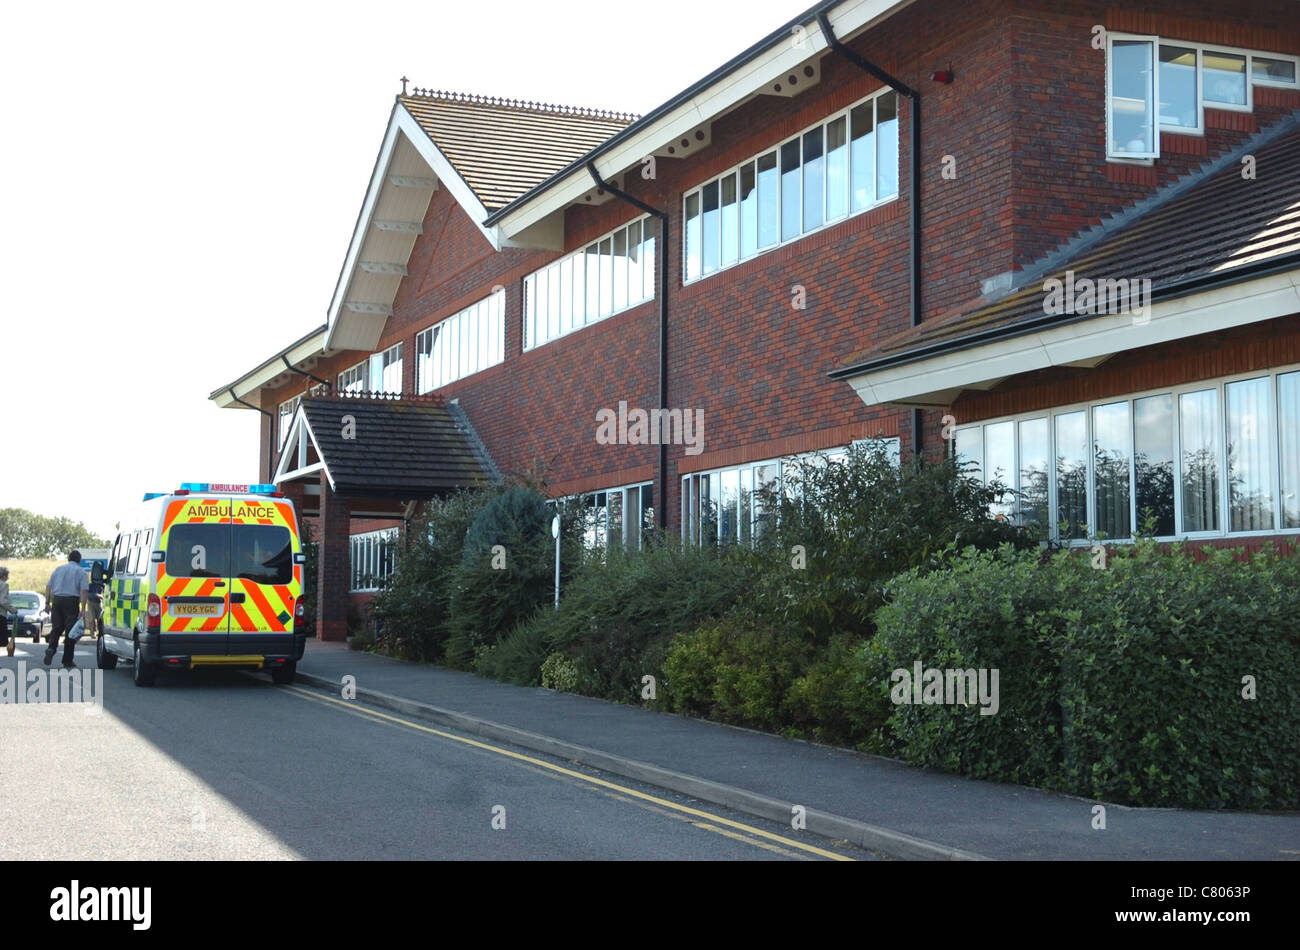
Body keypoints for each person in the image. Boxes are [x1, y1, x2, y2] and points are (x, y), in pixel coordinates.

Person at [44, 550, 89, 668]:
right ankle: (67, 660)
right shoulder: (81, 572)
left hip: (57, 600)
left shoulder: (58, 569)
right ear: (79, 560)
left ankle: (51, 649)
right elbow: (84, 591)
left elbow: (48, 586)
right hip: (71, 602)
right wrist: (83, 608)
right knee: (70, 632)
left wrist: (47, 603)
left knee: (57, 627)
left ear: (68, 559)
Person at [0, 566, 13, 658]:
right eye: (7, 576)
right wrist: (13, 610)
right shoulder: (3, 585)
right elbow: (3, 601)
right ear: (4, 576)